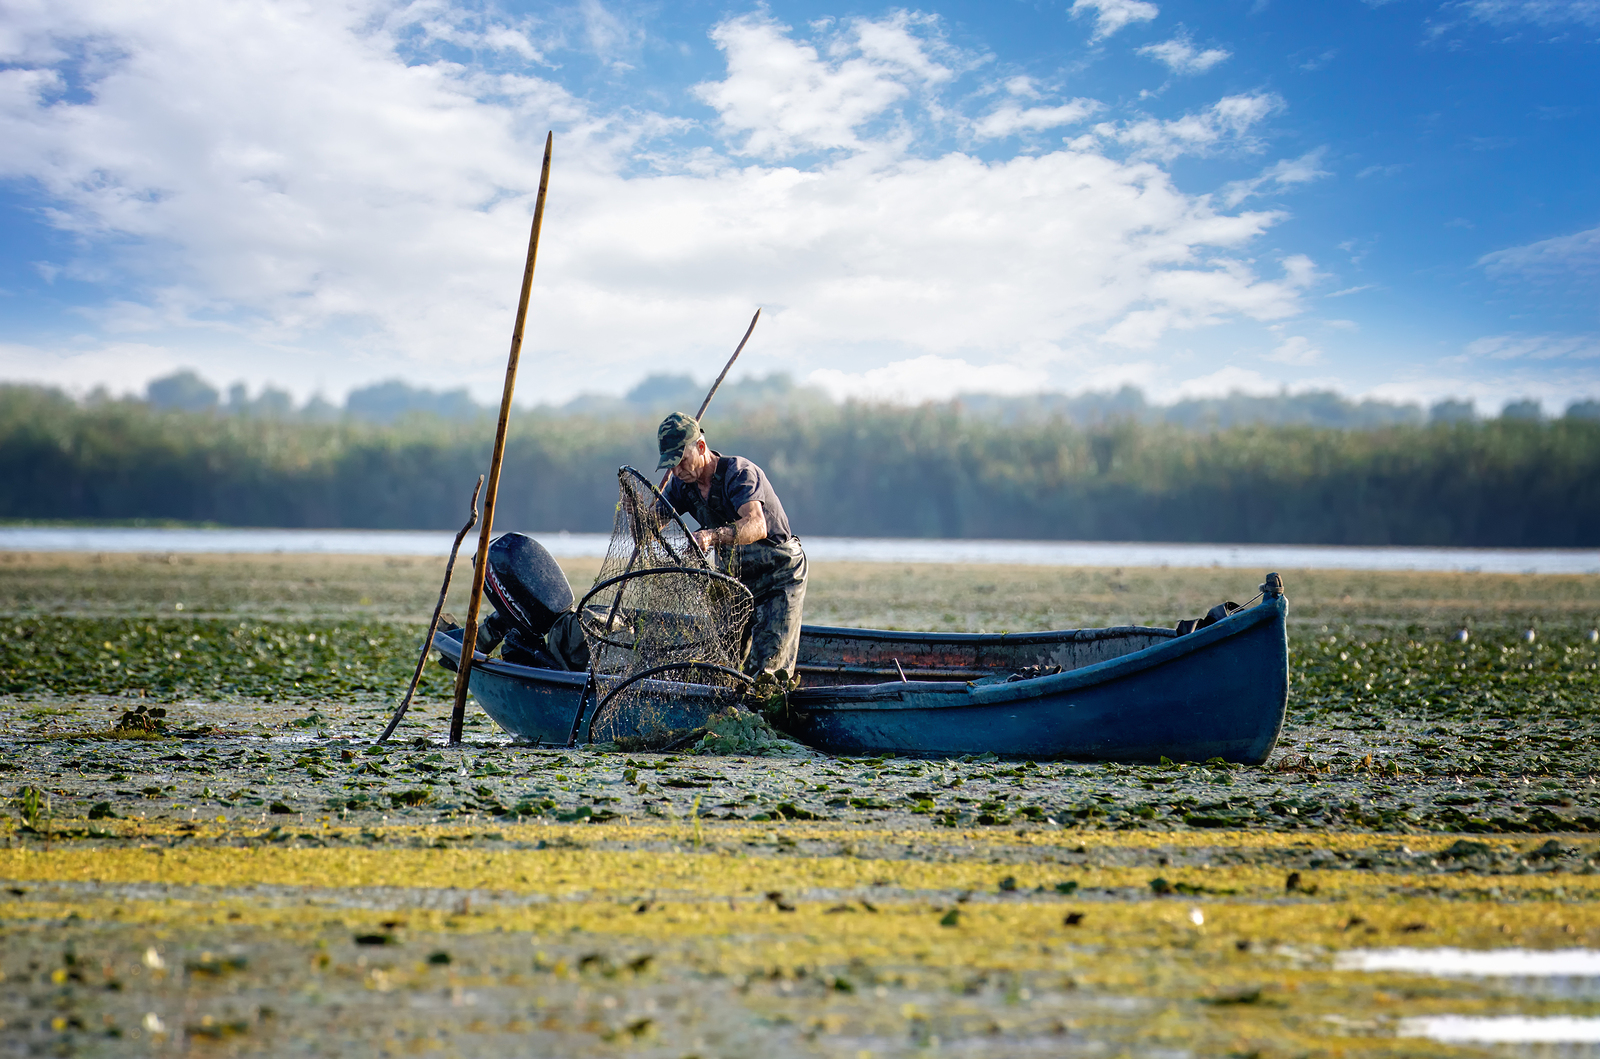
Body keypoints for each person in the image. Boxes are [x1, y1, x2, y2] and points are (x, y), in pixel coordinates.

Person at [655, 411, 807, 681]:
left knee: (767, 673)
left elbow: (756, 525)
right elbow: (649, 529)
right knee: (718, 664)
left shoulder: (739, 473)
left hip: (778, 577)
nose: (677, 470)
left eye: (681, 460)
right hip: (735, 582)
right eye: (671, 465)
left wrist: (711, 536)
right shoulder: (681, 484)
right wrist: (637, 512)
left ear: (701, 447)